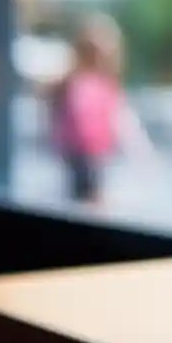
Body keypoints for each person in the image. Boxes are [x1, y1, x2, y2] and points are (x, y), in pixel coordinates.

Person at [51, 14, 144, 205]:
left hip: (93, 155)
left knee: (91, 198)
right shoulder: (76, 84)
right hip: (82, 154)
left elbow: (123, 121)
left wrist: (140, 154)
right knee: (89, 198)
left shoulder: (105, 86)